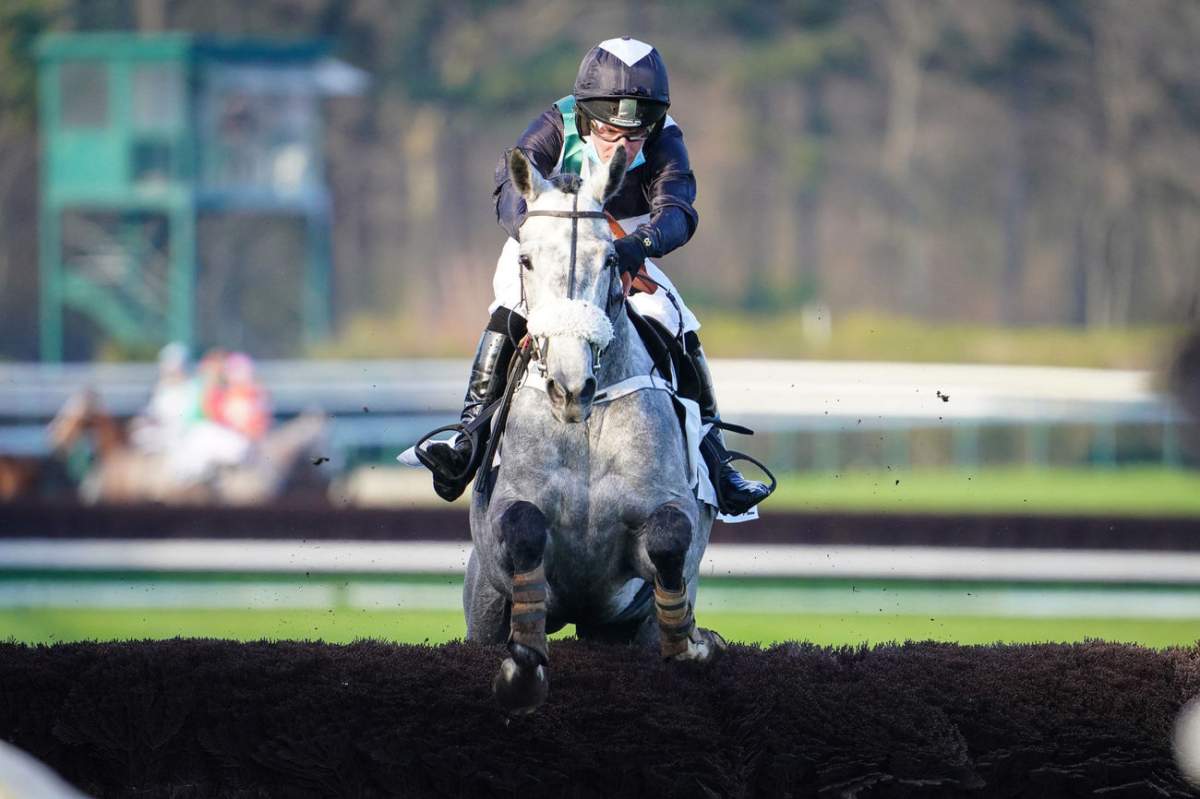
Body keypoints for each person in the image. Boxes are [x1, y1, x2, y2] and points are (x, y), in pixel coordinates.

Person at [420, 36, 770, 515]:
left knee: (674, 318)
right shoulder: (554, 123)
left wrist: (634, 248)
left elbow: (678, 211)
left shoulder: (667, 136)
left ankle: (716, 460)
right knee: (511, 306)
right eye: (610, 132)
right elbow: (509, 184)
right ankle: (467, 440)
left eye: (635, 134)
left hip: (620, 245)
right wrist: (544, 235)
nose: (623, 145)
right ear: (587, 116)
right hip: (545, 240)